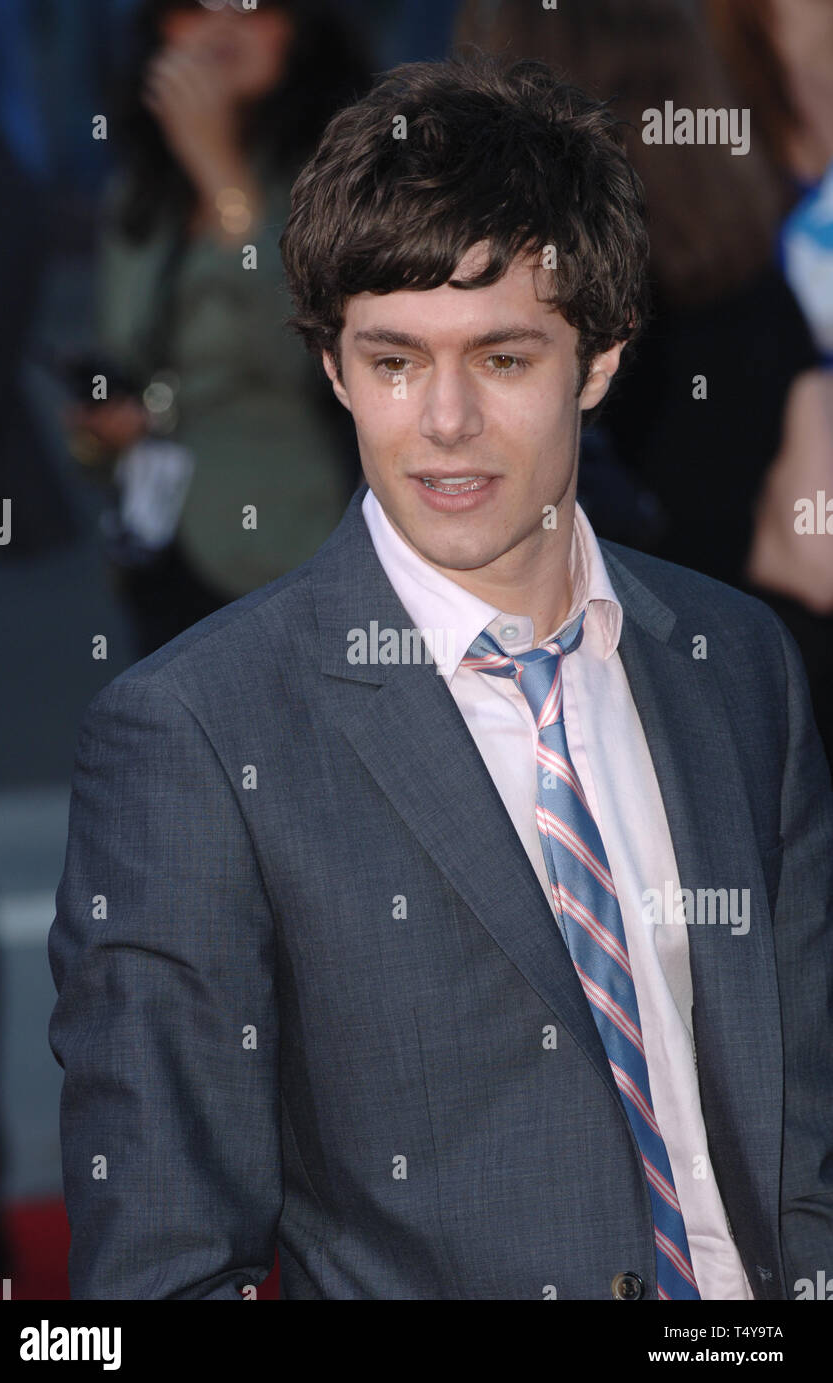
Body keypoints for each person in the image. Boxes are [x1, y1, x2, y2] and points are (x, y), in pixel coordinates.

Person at [48, 53, 833, 1301]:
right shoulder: (196, 734)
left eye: (504, 359)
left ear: (601, 360)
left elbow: (804, 1132)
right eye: (395, 360)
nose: (445, 422)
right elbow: (160, 1265)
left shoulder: (733, 661)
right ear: (332, 367)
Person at [64, 0, 369, 656]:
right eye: (192, 6)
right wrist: (104, 430)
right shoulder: (143, 185)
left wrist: (219, 169)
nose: (222, 23)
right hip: (162, 553)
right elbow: (129, 352)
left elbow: (304, 353)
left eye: (256, 6)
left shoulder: (352, 180)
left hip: (294, 551)